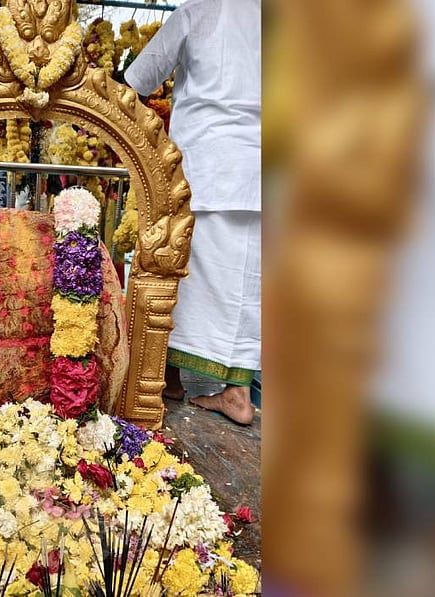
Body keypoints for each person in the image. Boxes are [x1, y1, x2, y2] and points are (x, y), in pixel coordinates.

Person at [124, 0, 261, 424]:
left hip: (206, 165)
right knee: (246, 285)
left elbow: (137, 80)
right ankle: (237, 391)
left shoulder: (199, 11)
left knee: (175, 271)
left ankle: (169, 379)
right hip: (260, 170)